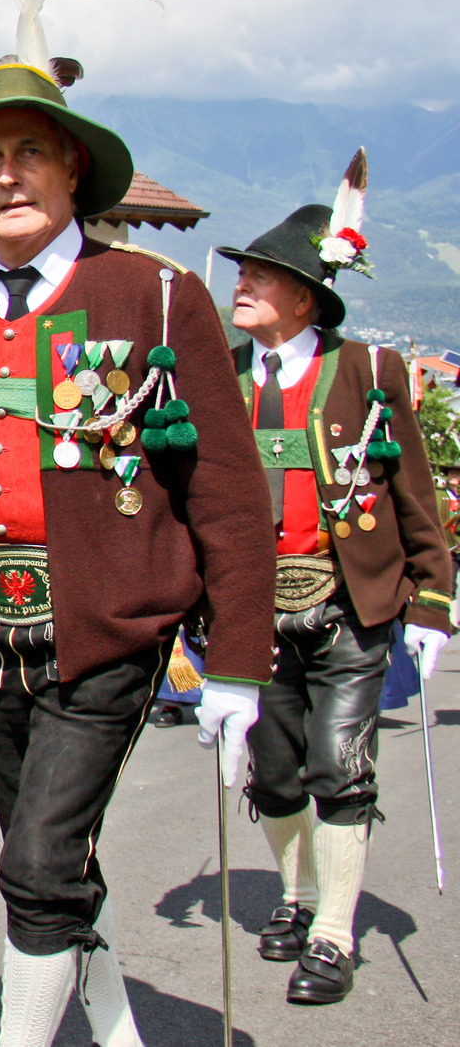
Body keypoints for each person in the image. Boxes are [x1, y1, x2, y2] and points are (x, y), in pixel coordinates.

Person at [0, 46, 277, 1047]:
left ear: (71, 170)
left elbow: (227, 497)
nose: (7, 173)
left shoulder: (154, 299)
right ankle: (116, 1030)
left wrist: (237, 665)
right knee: (55, 859)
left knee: (34, 864)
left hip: (109, 625)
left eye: (31, 151)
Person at [216, 156, 452, 1006]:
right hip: (253, 609)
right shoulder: (225, 376)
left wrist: (431, 601)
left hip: (351, 605)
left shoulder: (370, 371)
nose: (240, 285)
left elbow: (413, 493)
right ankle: (295, 892)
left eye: (259, 276)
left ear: (306, 296)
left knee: (336, 765)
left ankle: (333, 935)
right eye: (241, 273)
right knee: (273, 772)